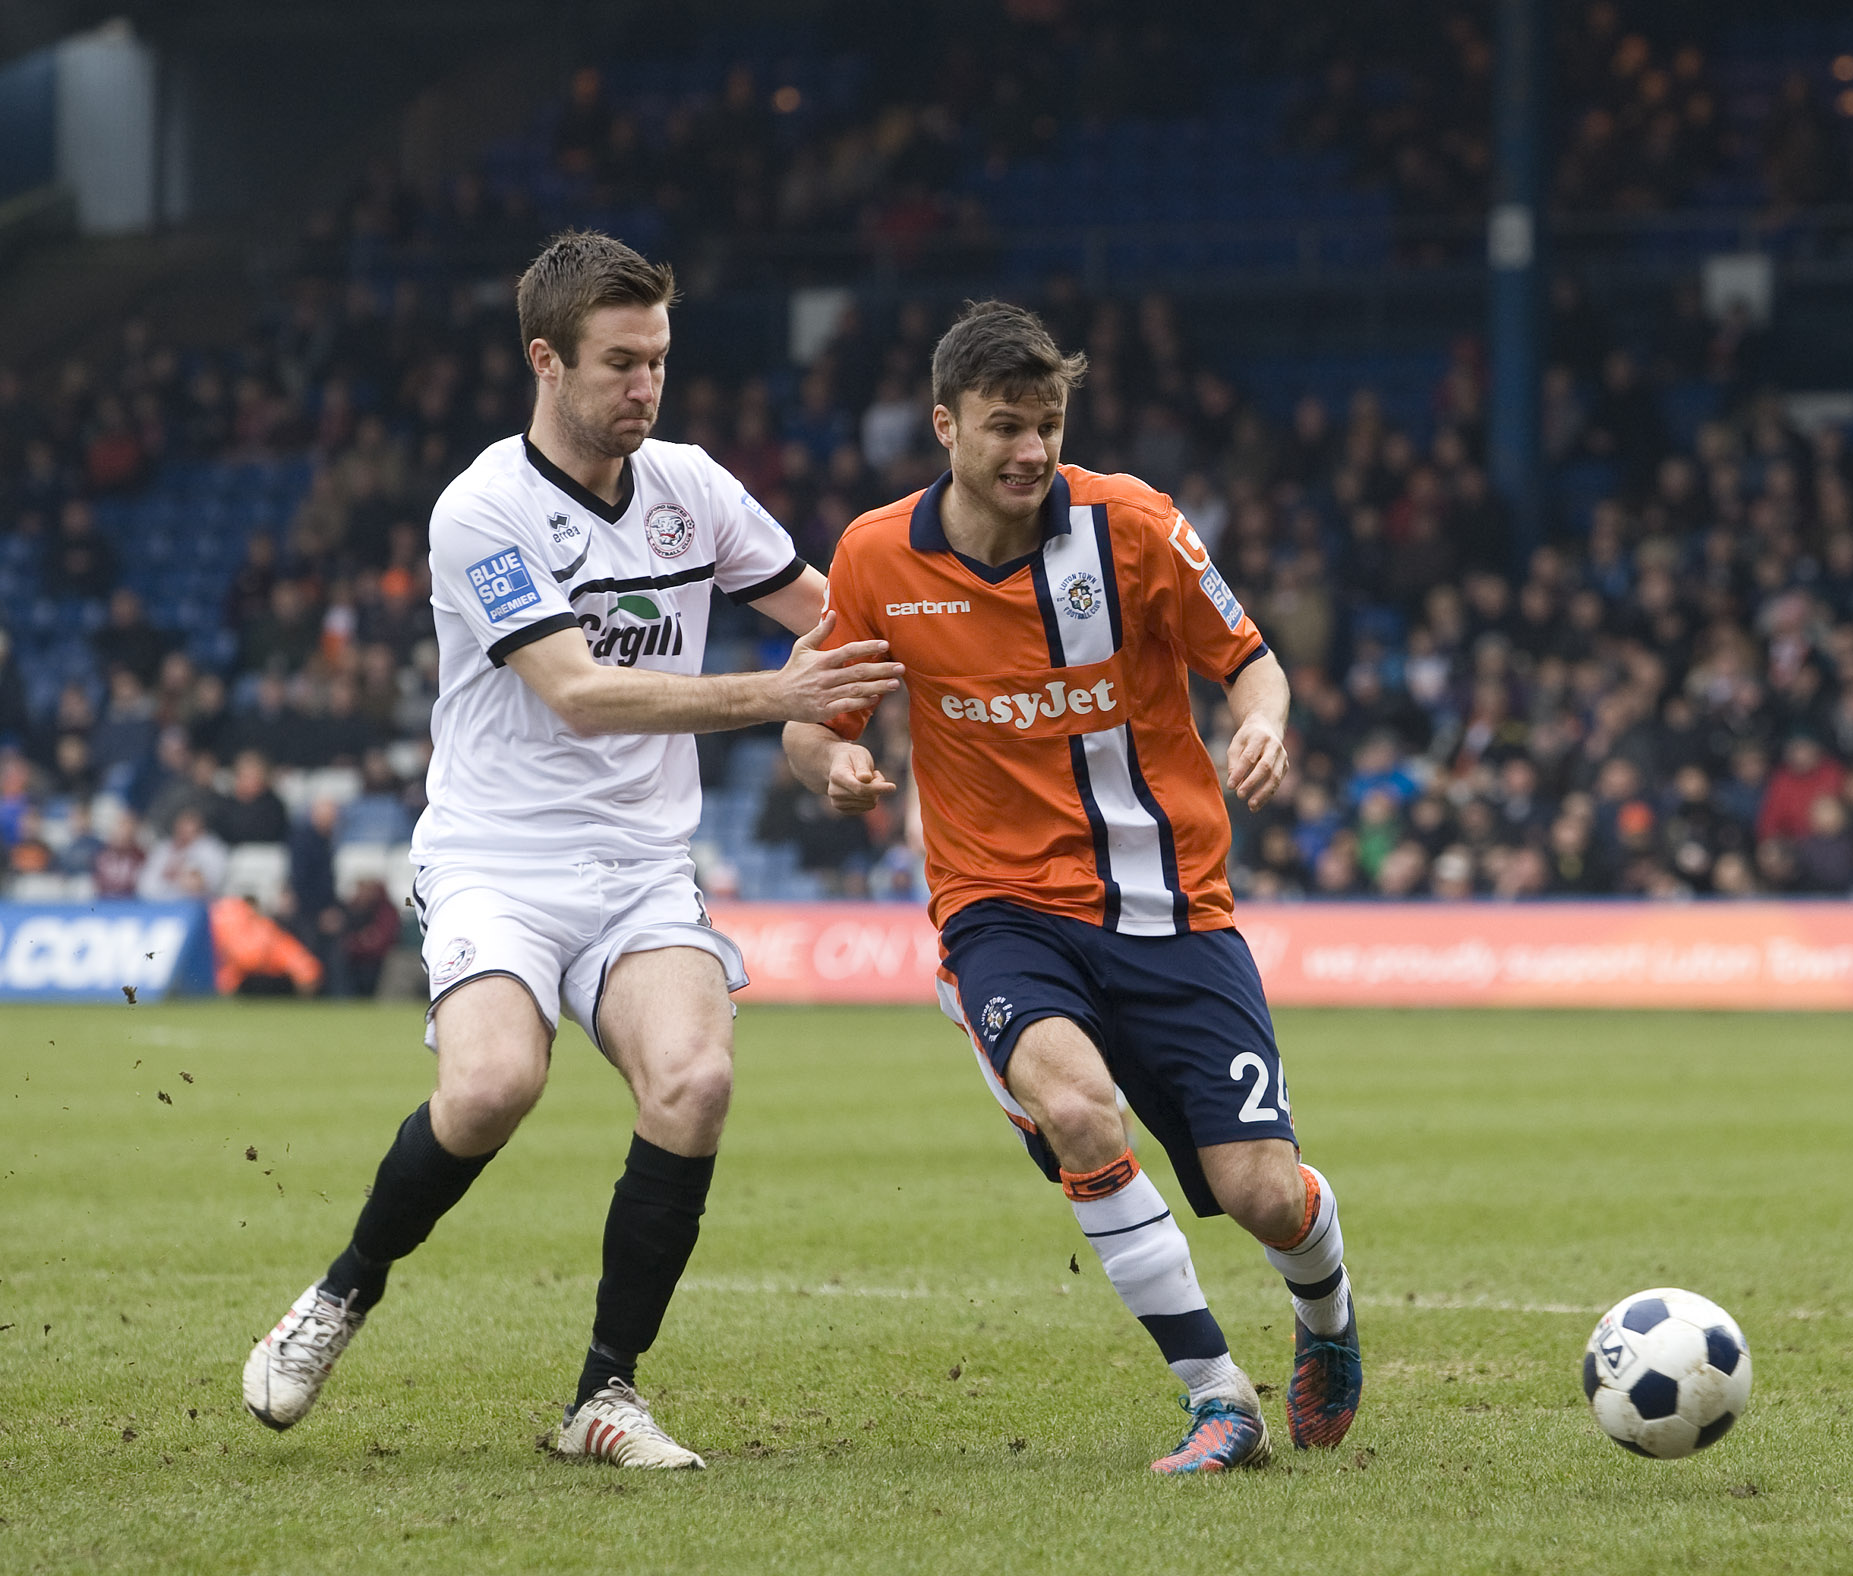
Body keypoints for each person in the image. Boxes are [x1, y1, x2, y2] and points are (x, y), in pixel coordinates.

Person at [240, 231, 903, 1469]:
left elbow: (839, 627)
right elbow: (582, 692)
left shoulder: (695, 487)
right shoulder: (481, 508)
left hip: (640, 865)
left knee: (693, 1081)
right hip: (495, 854)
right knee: (493, 1086)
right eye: (618, 363)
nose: (644, 387)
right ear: (545, 359)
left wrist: (834, 742)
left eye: (657, 359)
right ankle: (345, 1286)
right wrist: (780, 701)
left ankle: (606, 1392)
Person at [783, 300, 1359, 1475]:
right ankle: (1217, 1395)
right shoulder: (875, 557)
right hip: (999, 907)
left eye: (1047, 424)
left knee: (1260, 1191)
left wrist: (1265, 726)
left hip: (1175, 905)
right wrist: (835, 760)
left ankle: (1328, 1315)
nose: (1030, 450)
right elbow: (812, 720)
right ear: (944, 424)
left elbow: (1251, 664)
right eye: (1004, 426)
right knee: (1079, 1106)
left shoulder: (1135, 525)